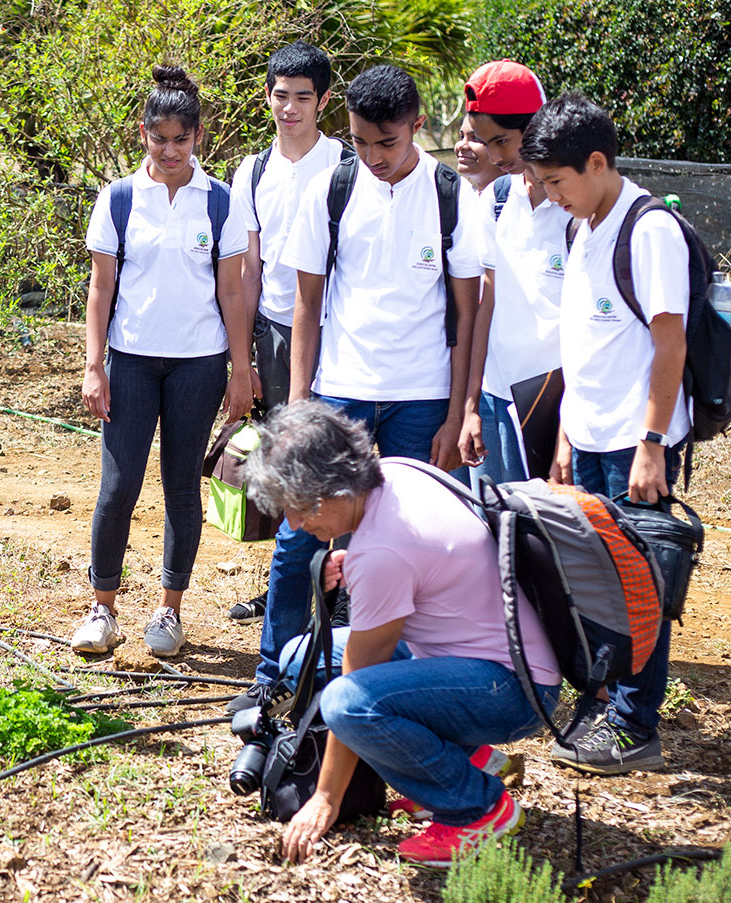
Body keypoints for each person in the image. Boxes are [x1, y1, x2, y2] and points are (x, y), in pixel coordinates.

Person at [230, 64, 486, 713]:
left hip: (421, 399)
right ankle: (274, 669)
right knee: (299, 534)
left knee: (402, 538)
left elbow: (466, 317)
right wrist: (298, 410)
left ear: (417, 128)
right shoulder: (331, 188)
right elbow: (306, 307)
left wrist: (459, 412)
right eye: (361, 142)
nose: (372, 157)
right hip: (338, 394)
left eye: (387, 143)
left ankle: (396, 672)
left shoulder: (453, 197)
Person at [239, 401, 561, 867]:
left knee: (346, 703)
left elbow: (354, 688)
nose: (293, 524)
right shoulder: (395, 471)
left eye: (295, 508)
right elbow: (429, 563)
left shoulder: (382, 551)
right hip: (490, 651)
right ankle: (465, 759)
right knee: (302, 655)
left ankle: (476, 806)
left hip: (511, 688)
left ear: (328, 491)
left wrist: (326, 799)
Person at [521, 92, 689, 774]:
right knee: (593, 585)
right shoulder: (580, 226)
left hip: (632, 445)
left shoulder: (647, 230)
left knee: (639, 588)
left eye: (556, 183)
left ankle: (634, 724)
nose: (550, 196)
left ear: (596, 163)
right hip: (587, 439)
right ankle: (601, 701)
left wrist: (651, 442)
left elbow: (669, 343)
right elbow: (580, 348)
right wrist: (564, 436)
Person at [72, 65, 255, 658]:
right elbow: (101, 288)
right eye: (159, 138)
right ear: (143, 134)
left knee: (181, 486)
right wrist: (93, 364)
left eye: (182, 139)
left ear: (199, 136)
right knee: (117, 486)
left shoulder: (221, 202)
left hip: (197, 365)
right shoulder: (119, 198)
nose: (170, 150)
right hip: (128, 361)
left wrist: (240, 367)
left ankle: (168, 613)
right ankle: (102, 608)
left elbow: (232, 291)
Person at [224, 40, 344, 627]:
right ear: (266, 96)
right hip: (272, 334)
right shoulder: (251, 170)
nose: (290, 108)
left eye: (303, 97)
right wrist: (239, 361)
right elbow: (248, 270)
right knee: (287, 467)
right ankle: (285, 593)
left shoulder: (346, 165)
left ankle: (340, 596)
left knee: (337, 465)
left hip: (335, 335)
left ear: (323, 100)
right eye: (280, 95)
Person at [457, 60, 565, 486]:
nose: (496, 156)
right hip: (496, 397)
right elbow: (487, 303)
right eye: (487, 142)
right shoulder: (498, 199)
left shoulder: (577, 208)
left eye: (502, 140)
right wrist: (470, 405)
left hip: (553, 406)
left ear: (536, 126)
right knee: (495, 526)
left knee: (549, 533)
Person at [455, 111, 506, 194]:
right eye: (462, 136)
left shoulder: (518, 200)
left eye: (475, 138)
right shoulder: (460, 200)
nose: (461, 146)